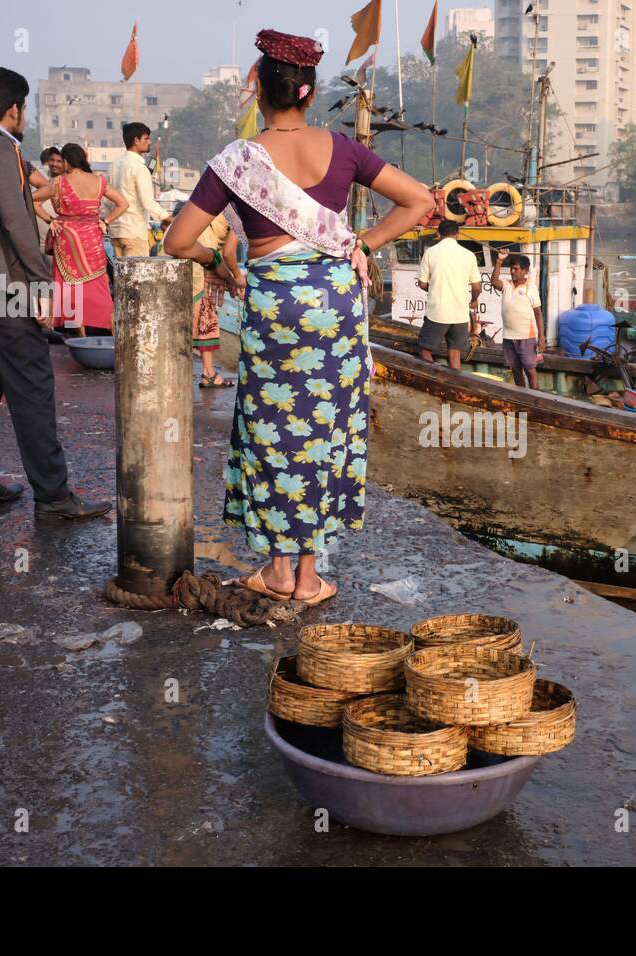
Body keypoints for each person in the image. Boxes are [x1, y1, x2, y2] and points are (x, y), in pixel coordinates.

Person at [165, 28, 432, 606]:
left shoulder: (236, 161)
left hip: (274, 308)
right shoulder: (343, 149)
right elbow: (420, 202)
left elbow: (177, 240)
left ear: (256, 88)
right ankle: (309, 576)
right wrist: (363, 242)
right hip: (334, 305)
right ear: (309, 94)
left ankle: (278, 570)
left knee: (272, 427)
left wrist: (218, 259)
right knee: (323, 429)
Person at [0, 67, 110, 519]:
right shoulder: (1, 148)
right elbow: (17, 223)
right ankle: (53, 496)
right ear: (13, 108)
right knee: (32, 388)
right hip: (7, 288)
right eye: (23, 107)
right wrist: (43, 288)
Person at [46, 142, 127, 335]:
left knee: (72, 289)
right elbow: (123, 203)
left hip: (67, 240)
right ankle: (112, 333)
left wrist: (50, 220)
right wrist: (105, 221)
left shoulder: (58, 182)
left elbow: (32, 200)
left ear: (66, 161)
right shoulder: (99, 181)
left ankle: (81, 336)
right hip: (93, 239)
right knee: (99, 286)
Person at [184, 201, 240, 388]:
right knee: (205, 317)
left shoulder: (212, 200)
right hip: (201, 257)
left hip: (183, 251)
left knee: (190, 316)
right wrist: (236, 279)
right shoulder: (239, 208)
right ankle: (208, 372)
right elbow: (229, 253)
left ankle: (207, 372)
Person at [417, 219, 482, 370]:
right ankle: (456, 385)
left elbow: (422, 283)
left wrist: (434, 289)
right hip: (460, 314)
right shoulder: (469, 255)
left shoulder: (430, 252)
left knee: (425, 350)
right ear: (457, 235)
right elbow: (477, 286)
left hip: (437, 312)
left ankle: (432, 379)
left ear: (438, 234)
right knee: (455, 353)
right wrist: (474, 300)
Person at [106, 121, 172, 257]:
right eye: (146, 138)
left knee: (121, 277)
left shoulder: (113, 166)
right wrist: (170, 218)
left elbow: (107, 201)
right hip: (133, 233)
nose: (149, 142)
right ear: (136, 140)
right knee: (137, 277)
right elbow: (148, 203)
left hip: (116, 232)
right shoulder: (140, 168)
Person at [490, 250, 544, 388]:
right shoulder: (507, 285)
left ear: (524, 270)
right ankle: (522, 396)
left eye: (516, 269)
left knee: (530, 370)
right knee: (515, 369)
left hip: (526, 336)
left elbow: (538, 314)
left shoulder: (530, 288)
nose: (513, 271)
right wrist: (499, 260)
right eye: (511, 268)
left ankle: (536, 398)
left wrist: (542, 338)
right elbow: (494, 281)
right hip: (509, 336)